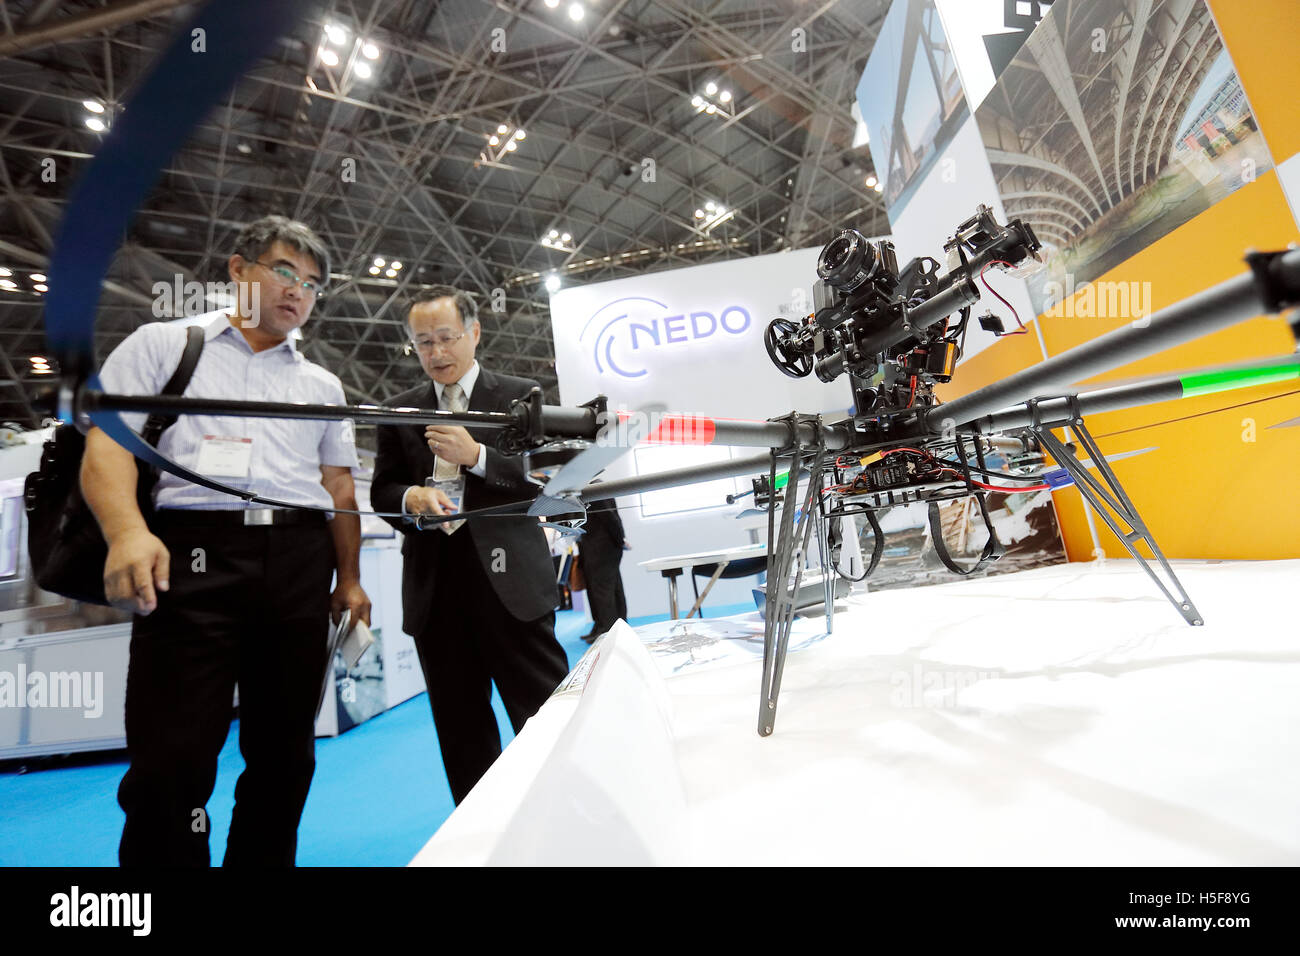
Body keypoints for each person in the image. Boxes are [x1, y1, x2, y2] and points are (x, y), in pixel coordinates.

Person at [81, 214, 370, 866]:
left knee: (286, 754)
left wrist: (348, 580)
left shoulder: (322, 385)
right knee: (173, 755)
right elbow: (108, 444)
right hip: (190, 559)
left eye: (314, 284)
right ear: (238, 270)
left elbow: (340, 492)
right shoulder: (164, 345)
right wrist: (126, 530)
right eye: (285, 271)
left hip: (299, 563)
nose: (299, 291)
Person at [371, 285, 568, 805]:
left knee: (546, 715)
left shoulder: (520, 396)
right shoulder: (400, 410)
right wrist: (409, 496)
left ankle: (567, 823)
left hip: (513, 590)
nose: (435, 353)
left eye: (445, 338)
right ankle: (482, 837)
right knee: (462, 735)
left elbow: (547, 478)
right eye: (423, 342)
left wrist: (478, 454)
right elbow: (381, 491)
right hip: (436, 593)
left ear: (474, 333)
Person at [576, 493, 629, 643]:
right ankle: (604, 627)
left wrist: (621, 540)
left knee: (604, 592)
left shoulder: (596, 489)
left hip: (602, 548)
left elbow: (610, 518)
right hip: (596, 548)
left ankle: (610, 631)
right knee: (608, 589)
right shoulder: (586, 488)